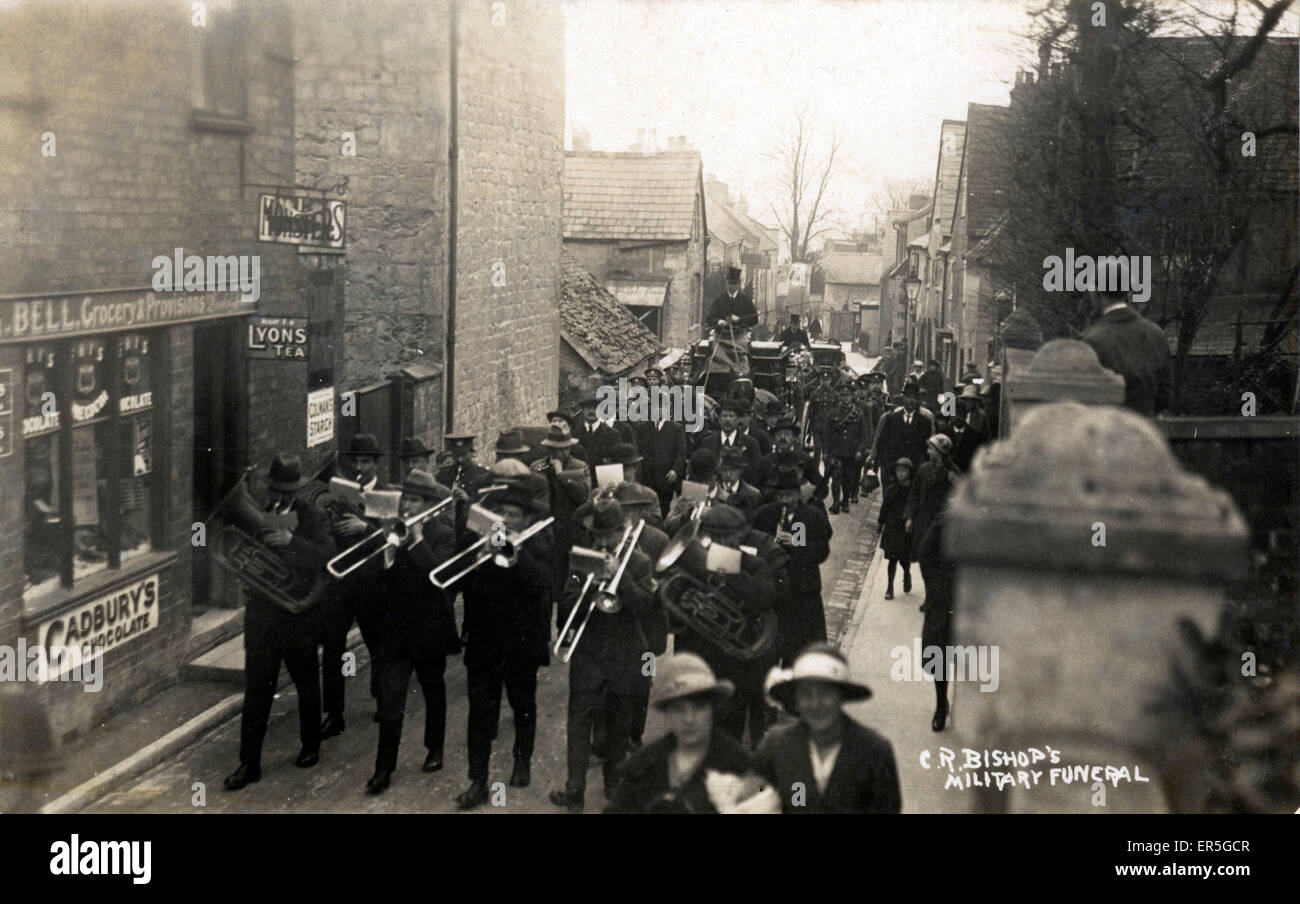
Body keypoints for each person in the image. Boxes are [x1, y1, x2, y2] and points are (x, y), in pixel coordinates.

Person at [224, 454, 334, 791]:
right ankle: (249, 763)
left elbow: (328, 558)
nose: (282, 497)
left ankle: (311, 744)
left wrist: (292, 543)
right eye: (277, 490)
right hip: (262, 617)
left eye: (288, 491)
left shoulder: (311, 516)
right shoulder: (259, 515)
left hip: (298, 614)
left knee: (306, 684)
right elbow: (238, 552)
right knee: (257, 691)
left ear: (297, 489)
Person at [551, 498, 659, 812]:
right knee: (579, 721)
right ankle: (575, 789)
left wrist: (619, 578)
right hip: (588, 654)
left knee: (619, 723)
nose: (603, 542)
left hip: (625, 655)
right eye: (598, 535)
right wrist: (588, 586)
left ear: (623, 530)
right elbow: (566, 601)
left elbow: (645, 606)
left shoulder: (639, 562)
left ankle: (614, 782)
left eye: (609, 535)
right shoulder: (580, 560)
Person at [451, 484, 555, 809]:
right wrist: (481, 555)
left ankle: (522, 760)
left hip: (522, 644)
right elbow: (459, 584)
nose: (505, 520)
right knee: (480, 714)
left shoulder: (540, 544)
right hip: (485, 642)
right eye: (502, 514)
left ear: (526, 520)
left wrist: (516, 559)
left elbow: (542, 588)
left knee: (523, 706)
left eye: (513, 515)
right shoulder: (482, 542)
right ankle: (478, 780)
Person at [365, 470, 461, 794]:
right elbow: (378, 585)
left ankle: (435, 747)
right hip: (396, 631)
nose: (407, 505)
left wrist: (418, 540)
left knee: (433, 689)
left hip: (430, 628)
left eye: (415, 500)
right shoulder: (393, 531)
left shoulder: (444, 532)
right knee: (391, 697)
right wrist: (389, 555)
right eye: (405, 498)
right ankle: (383, 768)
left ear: (430, 505)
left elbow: (442, 579)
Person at [673, 504, 787, 747]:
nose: (719, 543)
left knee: (740, 720)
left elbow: (768, 596)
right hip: (708, 656)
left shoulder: (758, 557)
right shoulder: (695, 559)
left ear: (739, 535)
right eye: (712, 537)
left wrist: (732, 571)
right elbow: (674, 607)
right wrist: (689, 605)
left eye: (726, 537)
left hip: (746, 656)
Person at [606, 653, 771, 814]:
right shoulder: (644, 767)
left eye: (699, 707)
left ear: (712, 709)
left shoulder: (739, 766)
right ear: (667, 712)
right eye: (679, 709)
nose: (689, 719)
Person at [758, 644, 903, 813]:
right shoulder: (778, 743)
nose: (815, 704)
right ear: (796, 700)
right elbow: (755, 795)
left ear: (841, 696)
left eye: (824, 693)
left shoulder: (874, 750)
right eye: (805, 694)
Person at [320, 433, 388, 737]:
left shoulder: (386, 495)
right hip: (341, 582)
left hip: (372, 582)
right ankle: (334, 714)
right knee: (333, 648)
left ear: (375, 464)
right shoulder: (342, 494)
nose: (360, 467)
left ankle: (383, 698)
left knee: (377, 644)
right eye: (356, 461)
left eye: (365, 462)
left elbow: (394, 539)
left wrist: (365, 527)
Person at [752, 467, 832, 665]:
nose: (786, 501)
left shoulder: (812, 515)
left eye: (790, 495)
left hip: (803, 590)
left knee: (801, 650)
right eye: (781, 495)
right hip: (776, 589)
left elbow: (822, 552)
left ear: (798, 494)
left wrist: (798, 544)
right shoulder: (765, 514)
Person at [1081, 287, 1175, 416]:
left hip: (1107, 429)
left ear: (1096, 293)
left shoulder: (1092, 340)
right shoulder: (1156, 334)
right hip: (1147, 427)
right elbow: (1165, 395)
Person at [916, 510, 957, 732]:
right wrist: (935, 587)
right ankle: (941, 704)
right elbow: (925, 554)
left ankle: (962, 702)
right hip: (943, 599)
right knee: (939, 655)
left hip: (975, 600)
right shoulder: (946, 520)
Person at [868, 379, 934, 492]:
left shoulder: (925, 421)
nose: (911, 401)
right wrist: (887, 463)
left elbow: (926, 446)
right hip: (892, 469)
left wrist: (920, 466)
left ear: (918, 400)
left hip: (914, 470)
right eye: (908, 397)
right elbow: (881, 442)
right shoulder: (891, 418)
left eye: (914, 398)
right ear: (903, 398)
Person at [905, 434, 960, 568]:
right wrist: (909, 517)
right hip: (924, 520)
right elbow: (914, 494)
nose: (928, 451)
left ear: (939, 451)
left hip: (942, 522)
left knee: (939, 558)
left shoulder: (952, 472)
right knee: (924, 557)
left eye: (931, 449)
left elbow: (961, 496)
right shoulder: (923, 470)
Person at [632, 389, 688, 518]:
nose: (658, 410)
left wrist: (675, 470)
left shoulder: (676, 428)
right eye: (655, 407)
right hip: (648, 477)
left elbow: (681, 452)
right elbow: (638, 451)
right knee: (647, 508)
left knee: (664, 508)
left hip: (666, 477)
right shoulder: (643, 428)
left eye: (662, 407)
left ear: (668, 409)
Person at [824, 382, 870, 514]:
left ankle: (845, 501)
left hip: (852, 452)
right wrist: (826, 452)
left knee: (848, 478)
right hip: (836, 451)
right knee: (836, 477)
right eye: (843, 395)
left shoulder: (859, 414)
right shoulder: (832, 413)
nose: (845, 398)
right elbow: (826, 433)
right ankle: (835, 502)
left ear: (852, 397)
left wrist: (860, 450)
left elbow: (863, 434)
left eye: (847, 395)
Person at [877, 457, 914, 600]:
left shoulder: (913, 490)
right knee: (892, 559)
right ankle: (890, 587)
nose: (901, 474)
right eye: (898, 471)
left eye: (904, 471)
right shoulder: (892, 489)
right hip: (893, 526)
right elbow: (884, 507)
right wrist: (880, 523)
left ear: (909, 472)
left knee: (905, 559)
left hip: (906, 527)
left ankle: (906, 574)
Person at [700, 396, 762, 481]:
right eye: (724, 416)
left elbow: (756, 471)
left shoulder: (750, 443)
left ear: (737, 419)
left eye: (731, 416)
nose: (727, 420)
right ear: (719, 420)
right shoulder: (708, 442)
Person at [714, 446, 763, 522]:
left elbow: (753, 521)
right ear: (719, 471)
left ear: (740, 470)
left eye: (733, 470)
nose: (728, 474)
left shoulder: (753, 494)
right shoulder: (713, 491)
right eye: (724, 470)